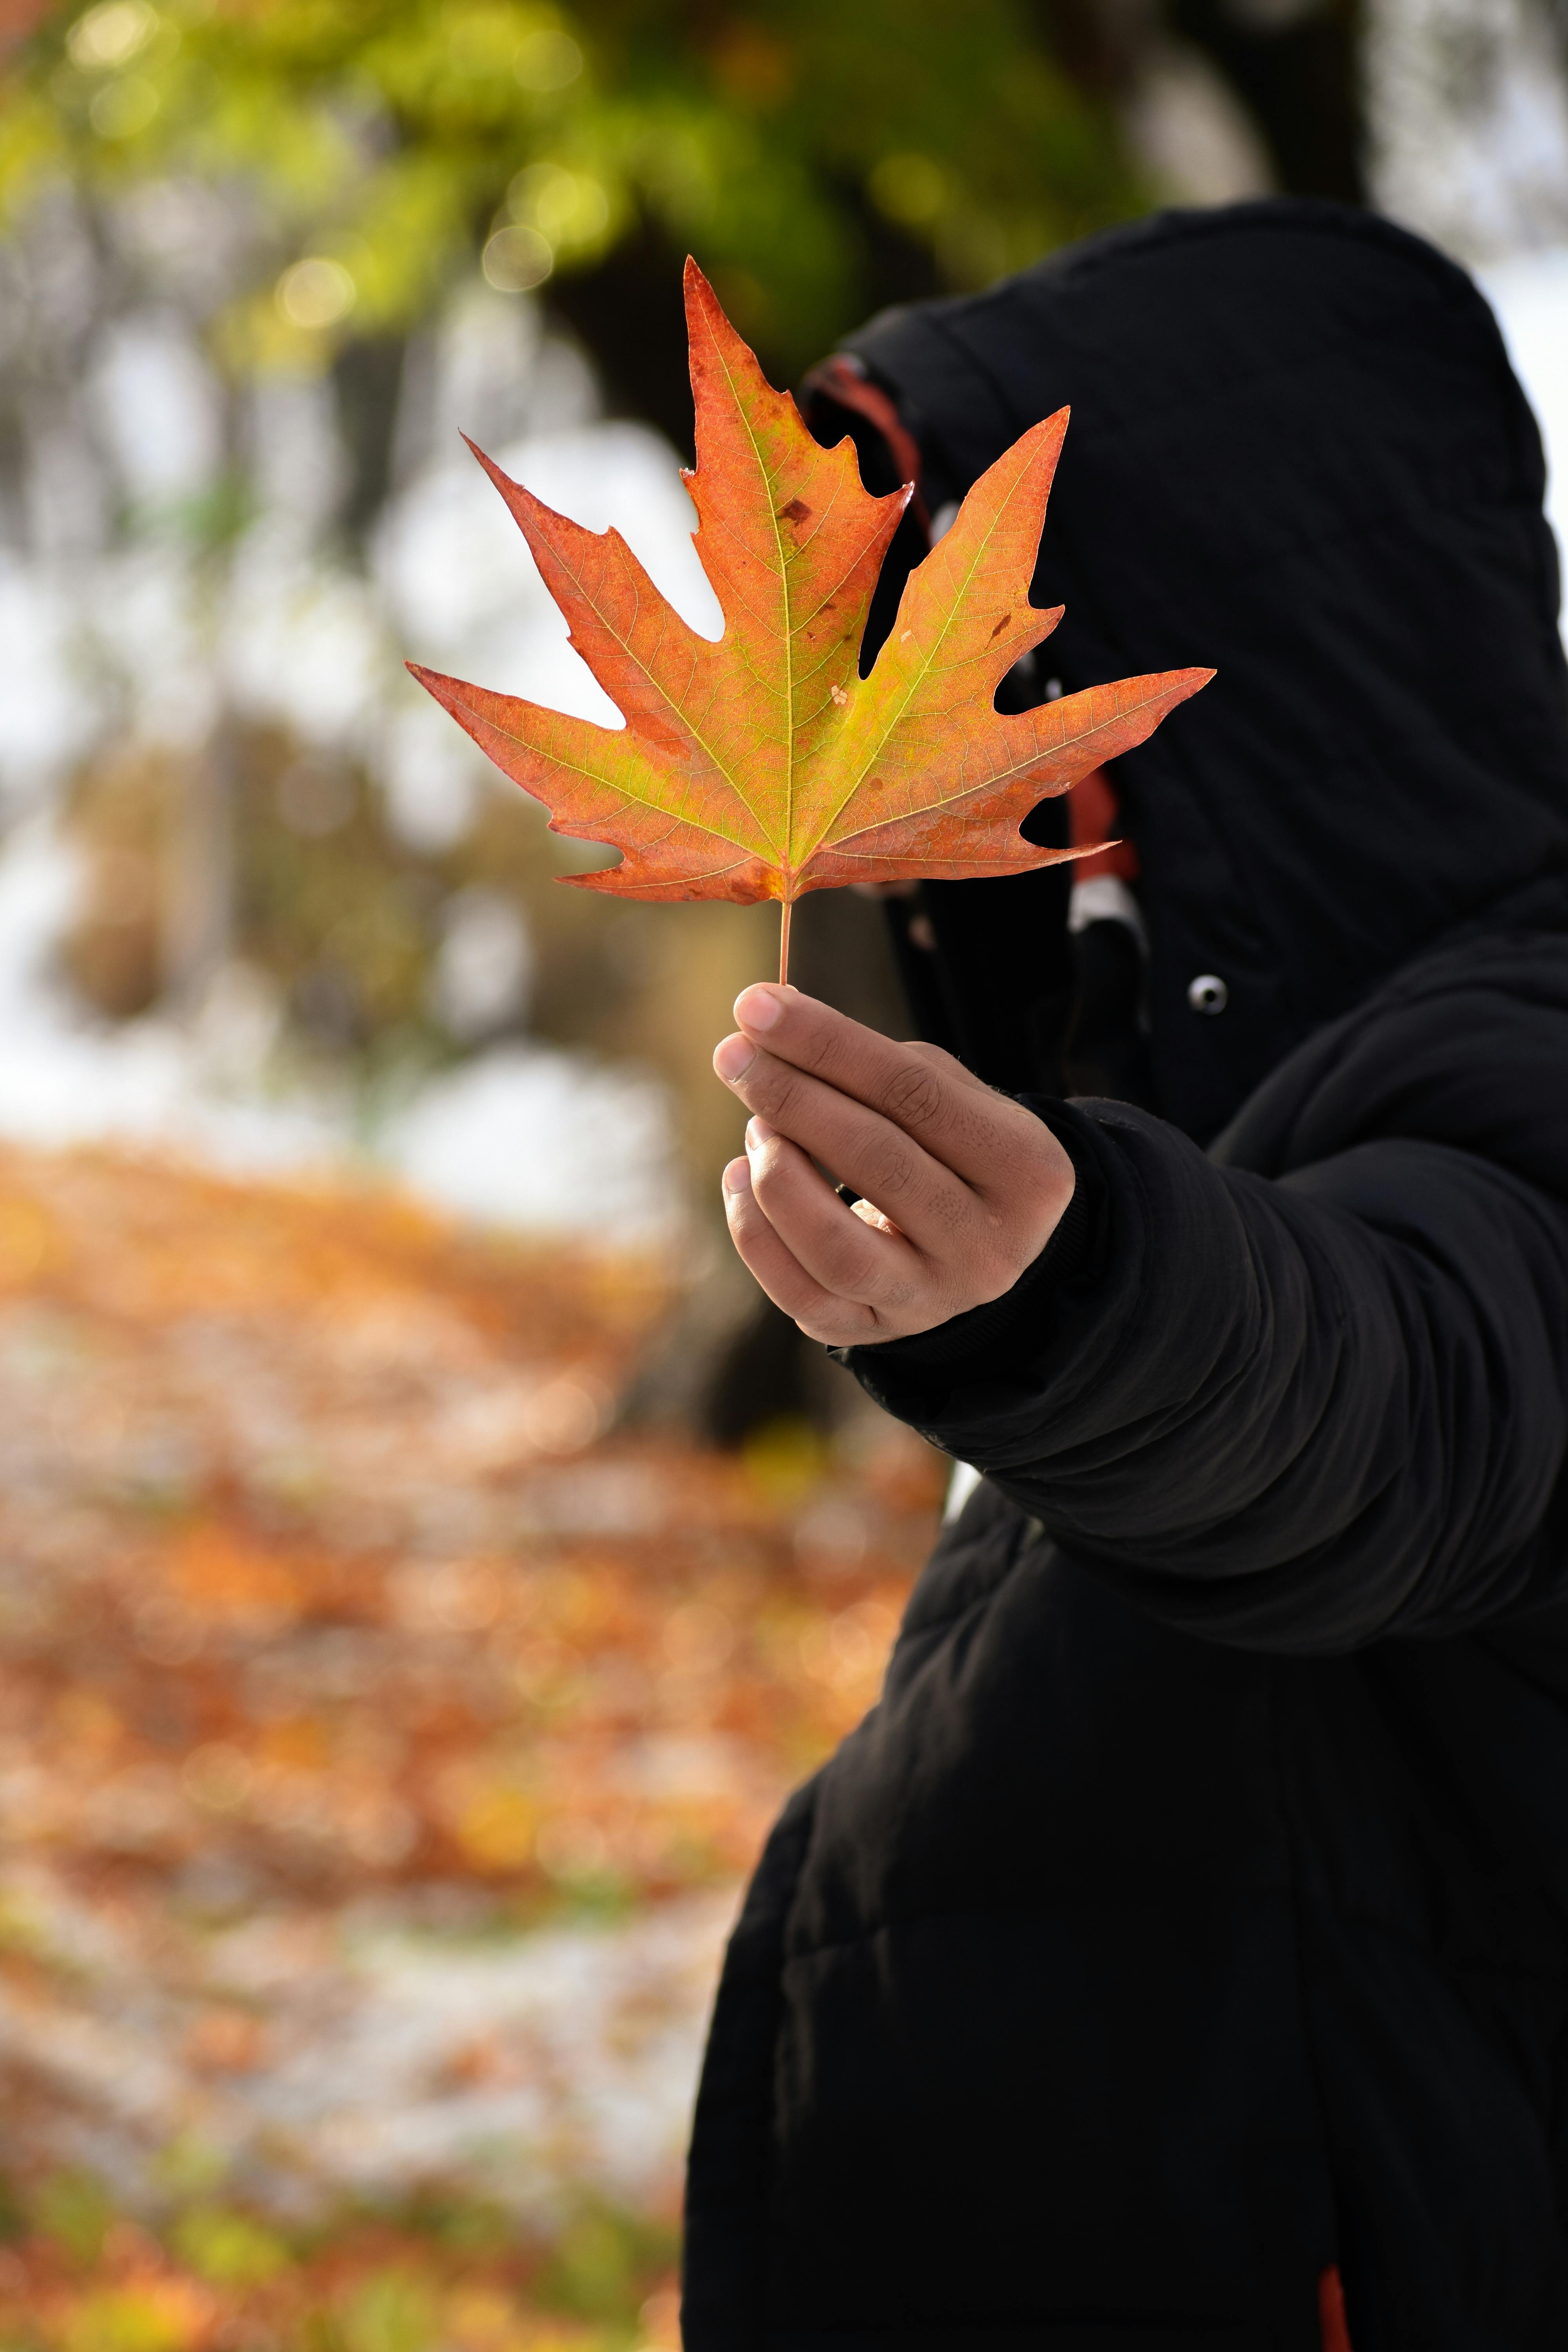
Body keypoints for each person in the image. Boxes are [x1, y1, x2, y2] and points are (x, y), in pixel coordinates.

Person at [679, 198, 1568, 2350]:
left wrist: (1083, 1307)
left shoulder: (1525, 1045)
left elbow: (1396, 1391)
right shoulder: (1159, 1077)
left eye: (1020, 700)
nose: (926, 749)